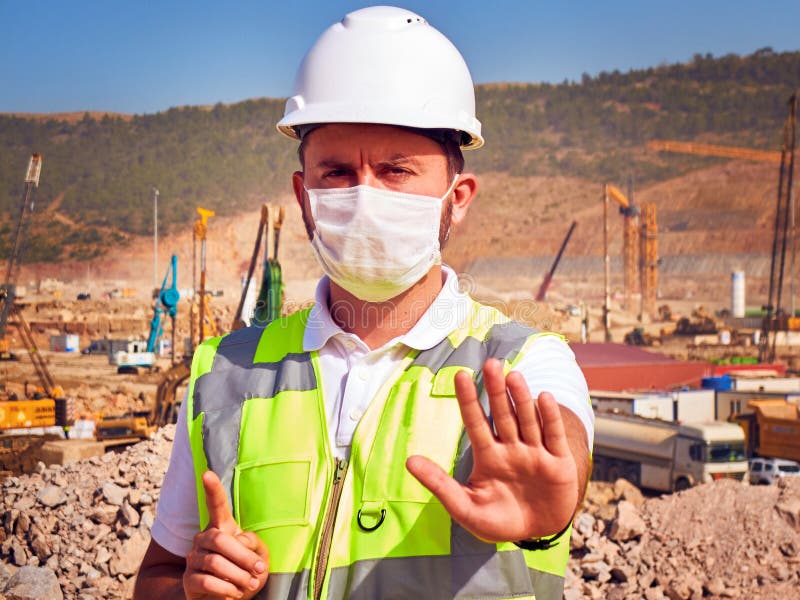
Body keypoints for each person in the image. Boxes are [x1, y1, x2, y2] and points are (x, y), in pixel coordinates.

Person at [135, 6, 592, 599]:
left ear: (458, 198)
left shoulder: (524, 364)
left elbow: (567, 452)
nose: (364, 196)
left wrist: (553, 504)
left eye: (397, 171)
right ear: (304, 194)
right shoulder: (224, 375)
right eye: (338, 172)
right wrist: (194, 589)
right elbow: (156, 580)